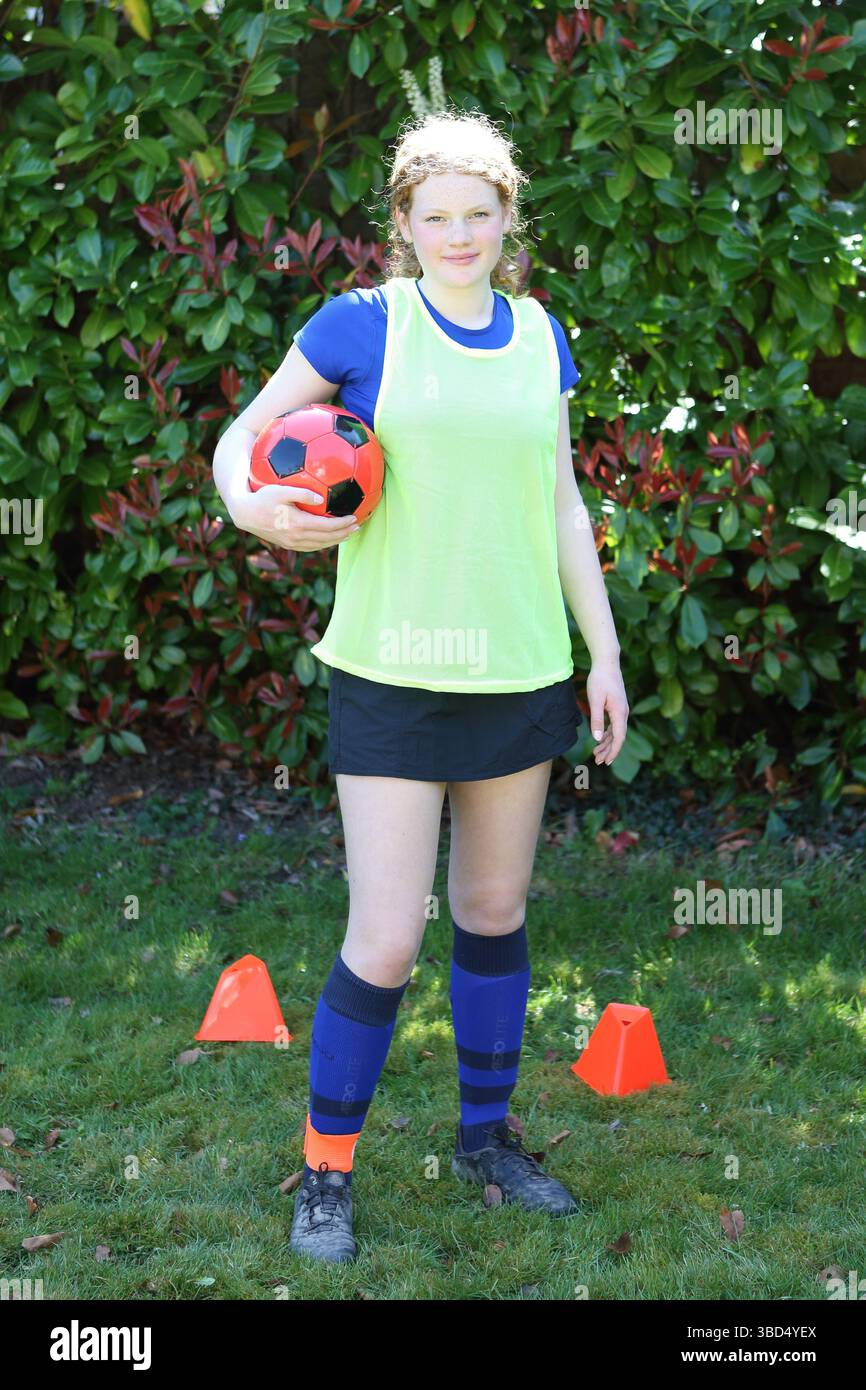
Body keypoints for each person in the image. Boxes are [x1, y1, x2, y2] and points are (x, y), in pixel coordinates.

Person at [211, 109, 629, 1266]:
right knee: (388, 935)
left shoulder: (540, 333)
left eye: (478, 215)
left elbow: (560, 507)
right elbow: (243, 433)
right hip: (392, 671)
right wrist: (251, 504)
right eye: (434, 216)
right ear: (401, 224)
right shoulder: (362, 325)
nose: (458, 235)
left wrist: (599, 653)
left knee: (493, 913)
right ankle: (324, 1176)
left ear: (506, 220)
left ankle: (487, 1143)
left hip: (517, 670)